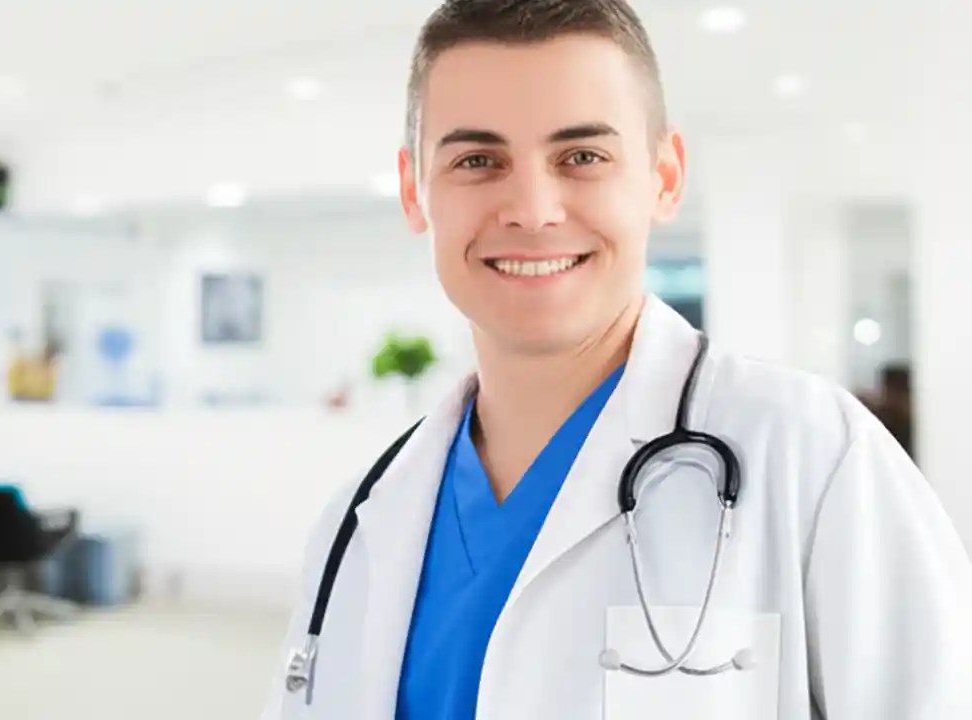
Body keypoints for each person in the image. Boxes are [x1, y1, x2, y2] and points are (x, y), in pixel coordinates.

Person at [262, 1, 972, 718]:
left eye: (582, 157)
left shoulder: (813, 457)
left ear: (664, 178)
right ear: (416, 189)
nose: (533, 209)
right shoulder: (360, 518)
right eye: (478, 160)